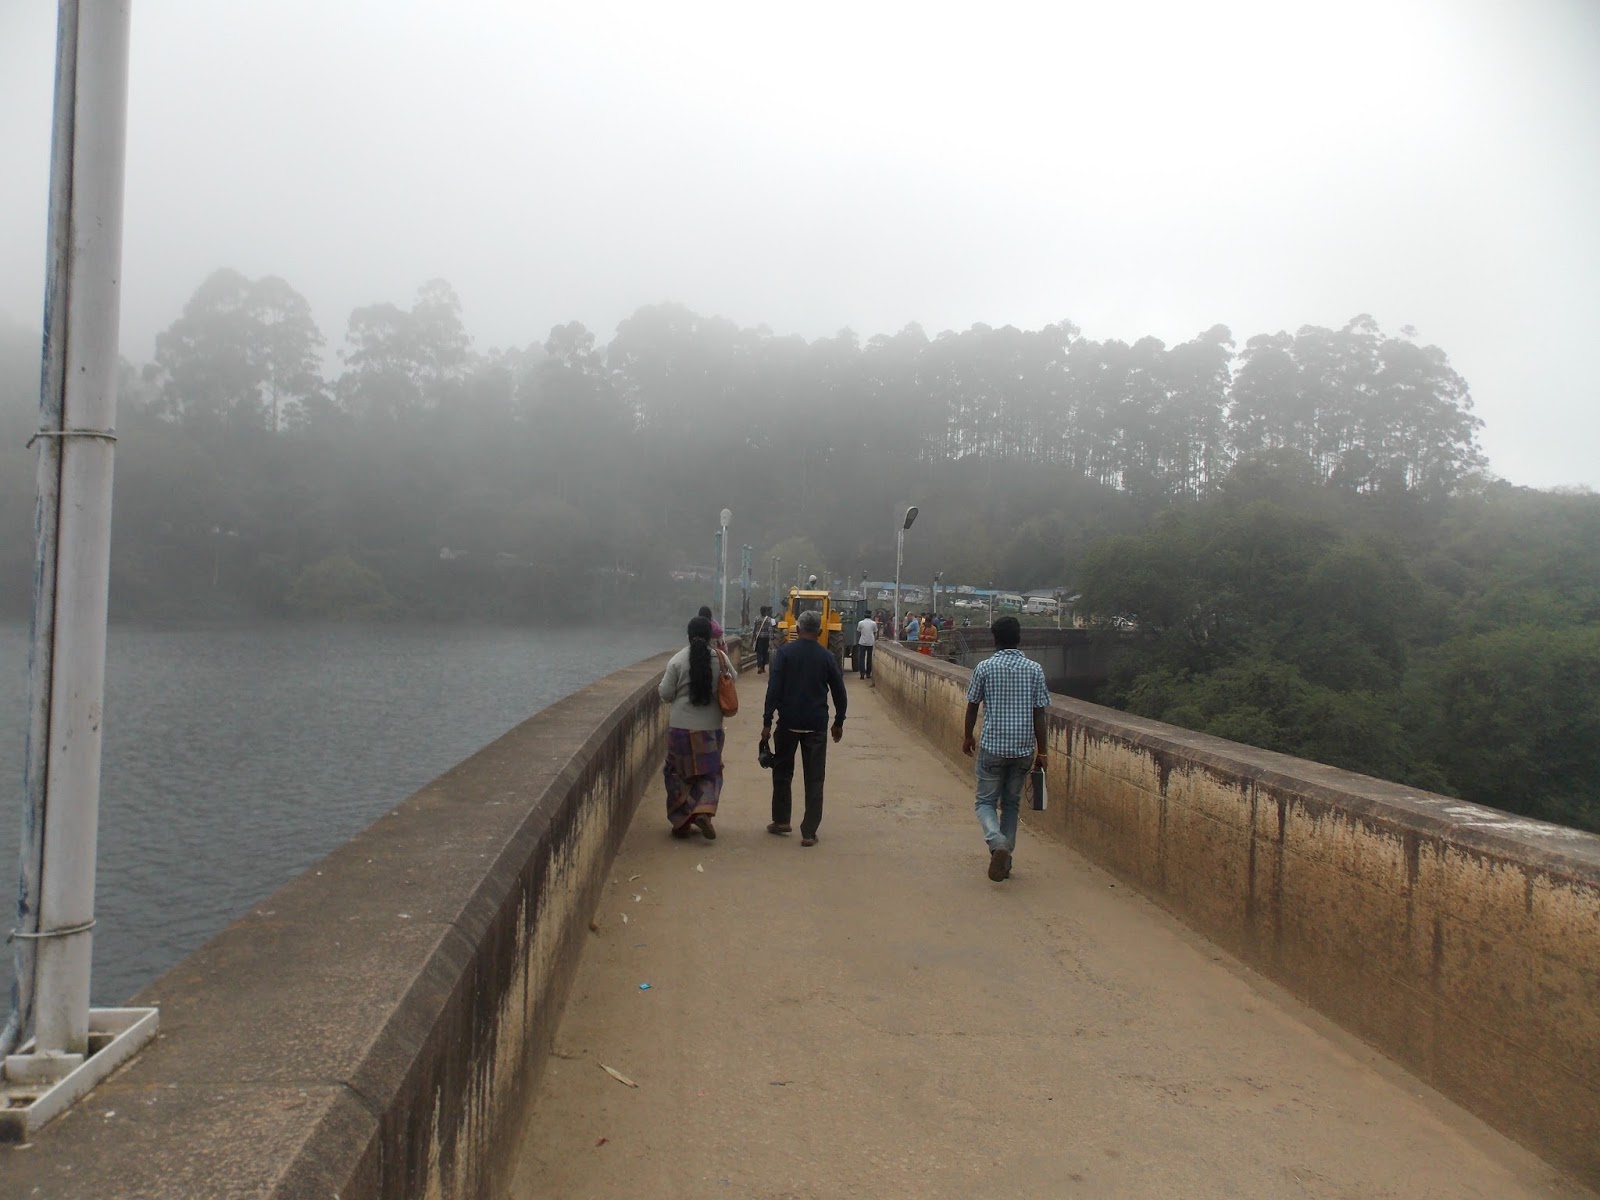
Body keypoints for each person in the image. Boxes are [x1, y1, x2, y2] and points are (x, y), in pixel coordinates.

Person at [961, 616, 1049, 882]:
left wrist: (967, 736)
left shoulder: (985, 667)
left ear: (995, 639)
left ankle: (997, 843)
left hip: (993, 746)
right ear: (1019, 638)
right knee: (1011, 805)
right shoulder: (1035, 669)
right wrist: (1042, 752)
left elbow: (973, 705)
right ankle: (1005, 857)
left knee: (985, 802)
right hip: (1023, 750)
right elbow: (1039, 714)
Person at [761, 609, 847, 847]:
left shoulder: (785, 653)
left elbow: (773, 689)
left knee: (782, 773)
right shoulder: (827, 657)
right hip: (816, 726)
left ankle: (781, 821)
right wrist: (839, 721)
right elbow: (839, 692)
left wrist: (767, 722)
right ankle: (809, 832)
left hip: (787, 723)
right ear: (819, 632)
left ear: (797, 630)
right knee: (815, 779)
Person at [658, 615, 735, 840]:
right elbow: (733, 680)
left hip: (680, 728)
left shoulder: (677, 661)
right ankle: (704, 810)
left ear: (689, 636)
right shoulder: (720, 658)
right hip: (710, 729)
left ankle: (681, 823)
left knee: (677, 774)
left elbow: (665, 694)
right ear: (711, 636)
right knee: (709, 772)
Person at [855, 610, 878, 679]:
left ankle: (862, 673)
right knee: (869, 658)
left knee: (861, 658)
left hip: (862, 642)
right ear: (871, 616)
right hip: (870, 642)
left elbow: (858, 632)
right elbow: (875, 632)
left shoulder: (860, 623)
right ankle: (868, 674)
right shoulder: (873, 623)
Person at [753, 605, 776, 674]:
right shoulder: (769, 619)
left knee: (759, 653)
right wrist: (771, 639)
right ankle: (762, 667)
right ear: (766, 611)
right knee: (765, 652)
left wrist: (753, 637)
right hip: (766, 638)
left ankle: (759, 666)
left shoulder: (757, 618)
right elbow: (770, 630)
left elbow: (754, 629)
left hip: (759, 638)